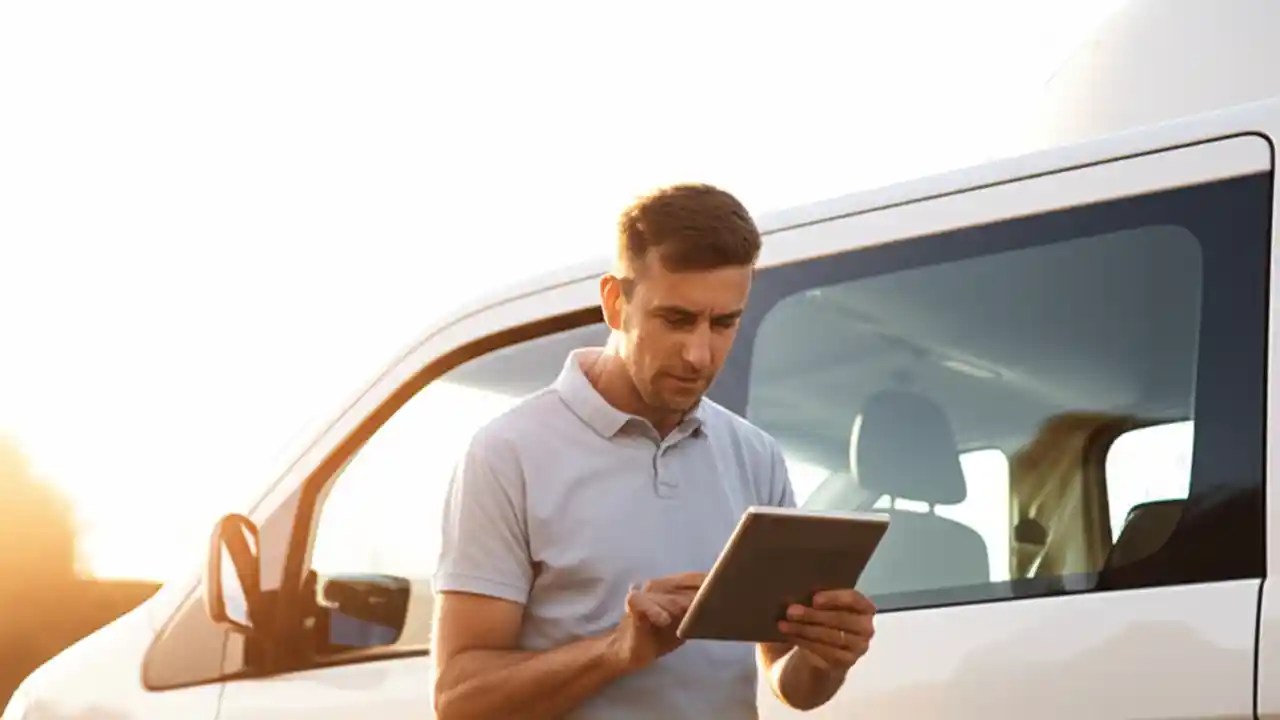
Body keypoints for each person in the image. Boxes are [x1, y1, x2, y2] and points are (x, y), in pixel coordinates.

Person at [430, 183, 876, 718]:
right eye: (677, 319)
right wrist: (617, 651)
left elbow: (789, 682)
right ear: (616, 303)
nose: (699, 354)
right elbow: (458, 701)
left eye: (724, 323)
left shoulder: (754, 455)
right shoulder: (506, 454)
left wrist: (826, 658)